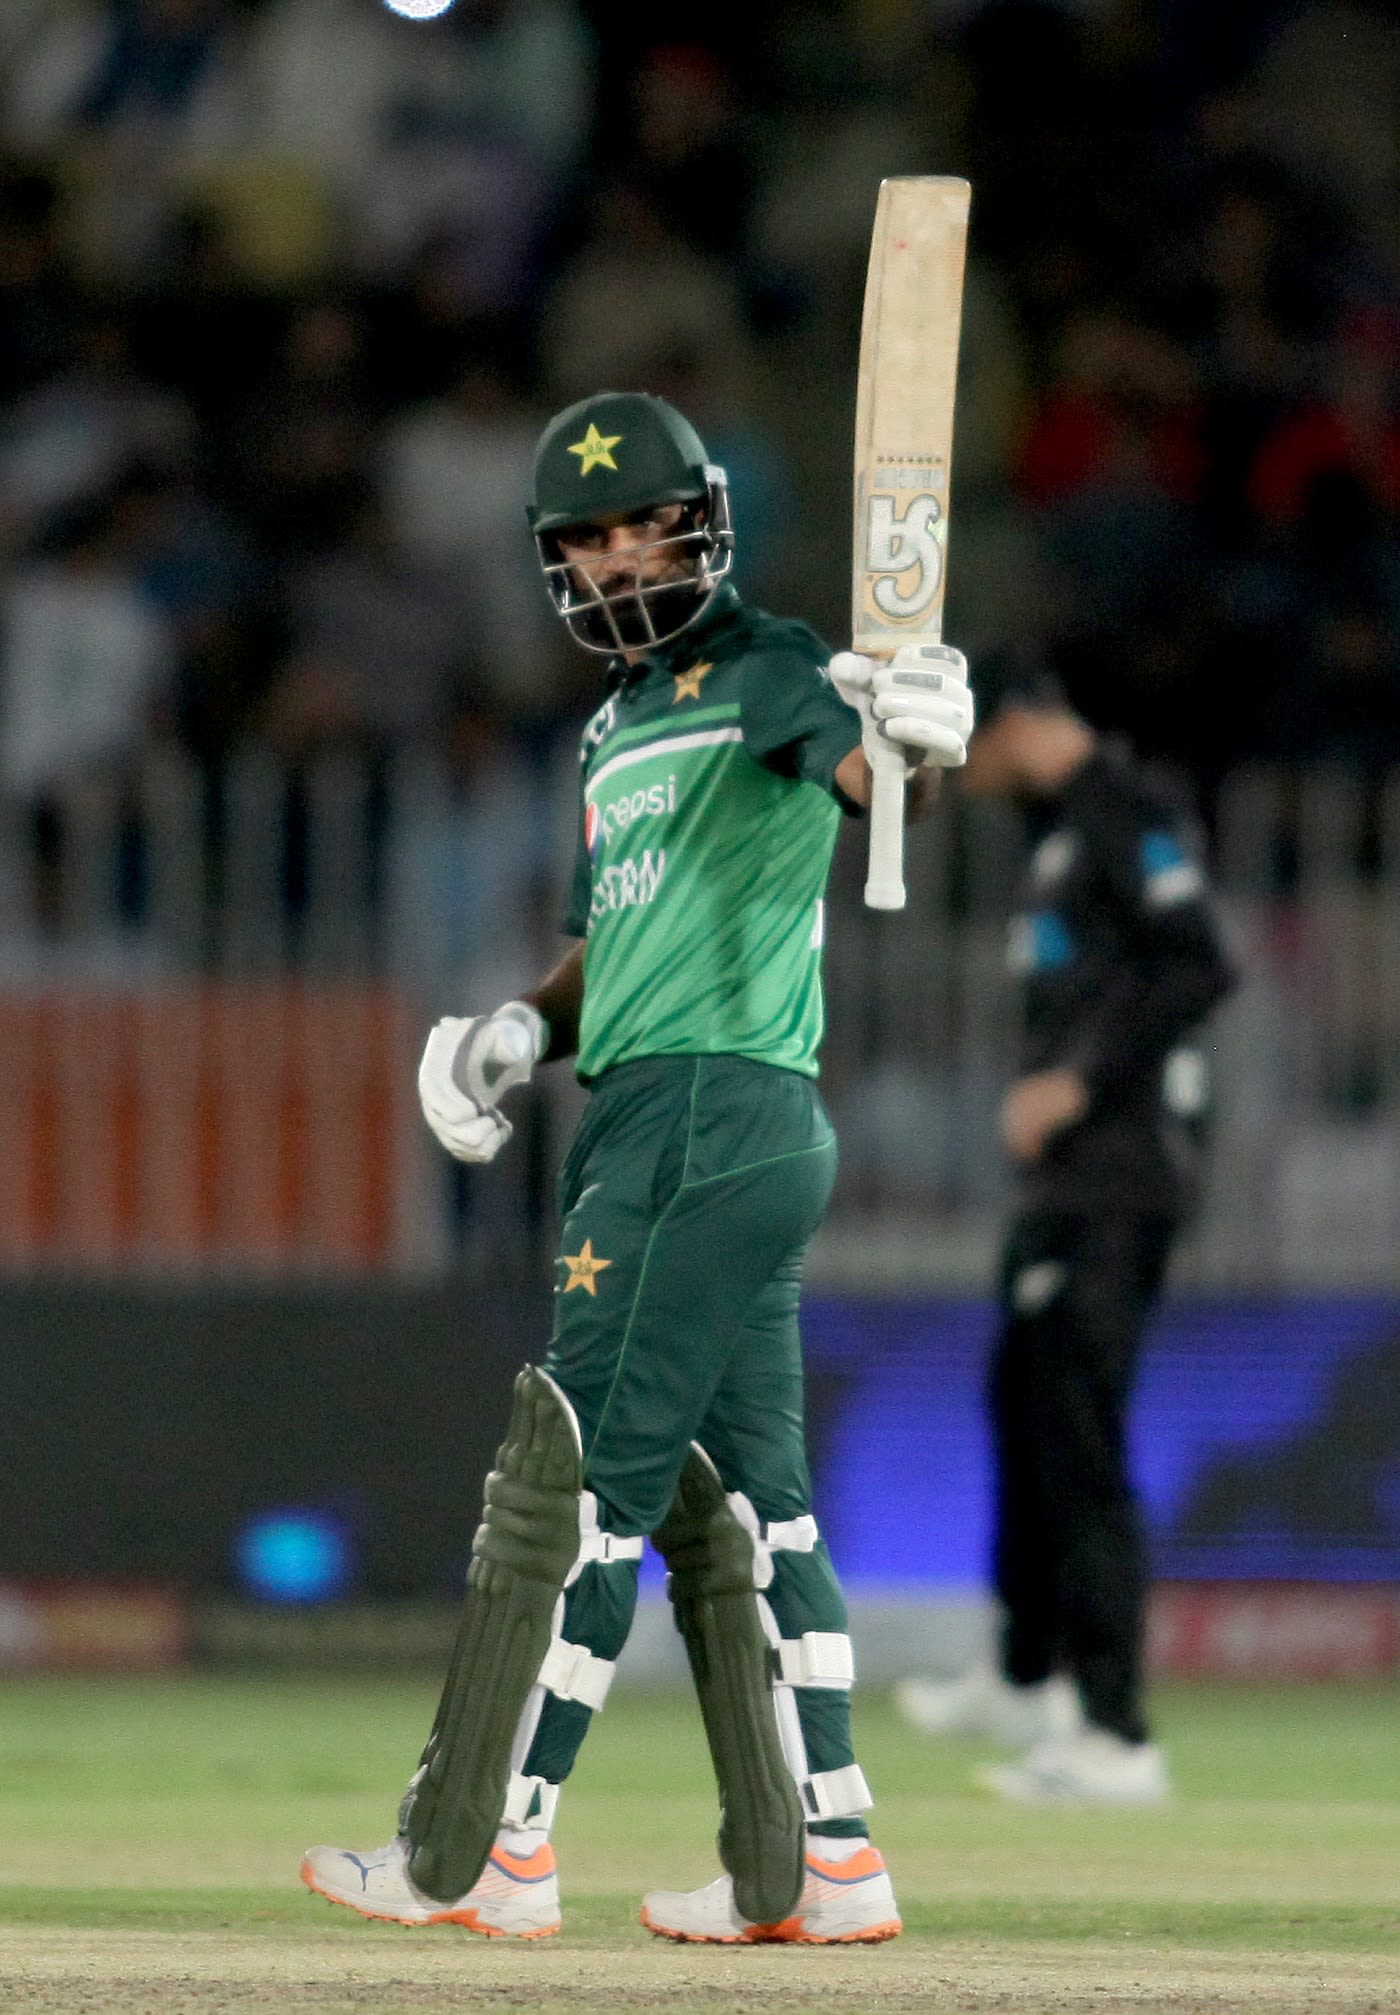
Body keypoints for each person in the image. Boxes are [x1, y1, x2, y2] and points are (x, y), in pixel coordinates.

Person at [300, 390, 973, 1940]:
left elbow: (878, 781)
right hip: (695, 1120)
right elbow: (606, 954)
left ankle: (481, 1849)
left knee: (572, 1476)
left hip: (697, 1119)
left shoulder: (780, 671)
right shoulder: (611, 727)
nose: (615, 560)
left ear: (703, 519)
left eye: (640, 525)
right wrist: (511, 1038)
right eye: (585, 541)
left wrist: (927, 743)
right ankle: (820, 1861)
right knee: (752, 1510)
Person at [895, 647, 1234, 1804]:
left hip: (1116, 1179)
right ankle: (1025, 1666)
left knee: (1079, 1439)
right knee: (1023, 1411)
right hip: (1060, 1187)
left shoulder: (1126, 812)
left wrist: (1078, 1081)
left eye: (969, 747)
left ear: (1019, 723)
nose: (965, 771)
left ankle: (1114, 1732)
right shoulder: (1055, 832)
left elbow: (1200, 963)